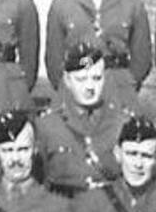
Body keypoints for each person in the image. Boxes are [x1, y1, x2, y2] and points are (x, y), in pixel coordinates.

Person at [34, 40, 135, 199]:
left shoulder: (123, 123)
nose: (89, 87)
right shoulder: (47, 126)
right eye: (81, 79)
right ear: (67, 81)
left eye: (96, 78)